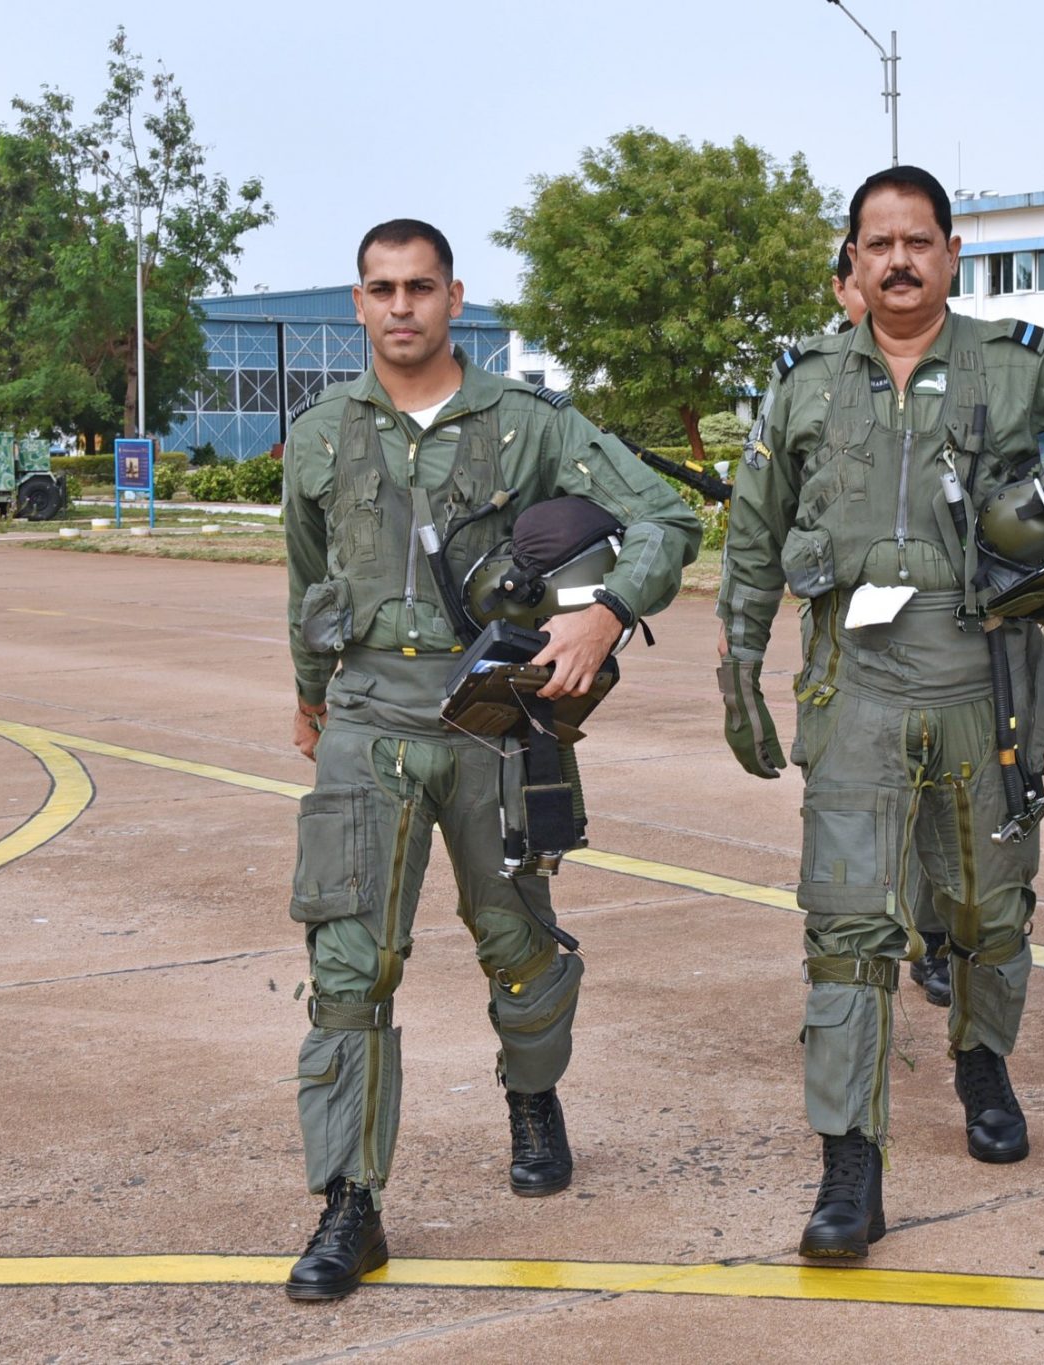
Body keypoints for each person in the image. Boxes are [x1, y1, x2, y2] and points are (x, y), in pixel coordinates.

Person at [717, 165, 1044, 1259]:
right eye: (877, 243)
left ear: (951, 254)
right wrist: (737, 662)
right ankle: (849, 1165)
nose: (898, 261)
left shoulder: (1019, 366)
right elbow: (752, 534)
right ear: (853, 256)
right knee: (845, 931)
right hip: (853, 694)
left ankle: (981, 1061)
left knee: (988, 914)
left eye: (917, 241)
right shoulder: (803, 384)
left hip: (987, 688)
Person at [280, 219, 701, 1301]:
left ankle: (532, 1092)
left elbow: (664, 515)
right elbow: (307, 580)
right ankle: (350, 1205)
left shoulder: (527, 423)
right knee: (349, 967)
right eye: (381, 289)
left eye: (420, 287)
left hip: (492, 718)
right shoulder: (320, 434)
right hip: (368, 718)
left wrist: (607, 613)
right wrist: (311, 695)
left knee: (516, 943)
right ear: (357, 303)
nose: (401, 306)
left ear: (454, 298)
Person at [826, 237, 953, 1007]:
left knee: (951, 800)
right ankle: (871, 957)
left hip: (958, 640)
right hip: (857, 648)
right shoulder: (818, 387)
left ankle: (936, 936)